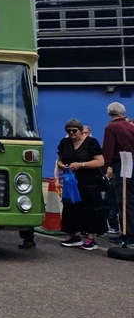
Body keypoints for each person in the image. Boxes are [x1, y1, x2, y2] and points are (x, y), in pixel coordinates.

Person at [55, 118, 107, 250]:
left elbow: (100, 162)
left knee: (90, 208)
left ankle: (90, 238)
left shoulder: (91, 143)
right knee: (71, 208)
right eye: (69, 131)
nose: (72, 133)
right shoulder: (65, 142)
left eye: (74, 131)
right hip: (71, 182)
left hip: (89, 181)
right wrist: (64, 166)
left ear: (81, 130)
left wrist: (82, 165)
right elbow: (59, 161)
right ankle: (74, 235)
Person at [101, 102, 134, 244]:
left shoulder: (111, 127)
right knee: (130, 199)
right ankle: (128, 232)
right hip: (130, 163)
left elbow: (108, 151)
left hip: (122, 164)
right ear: (123, 112)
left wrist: (102, 170)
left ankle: (128, 234)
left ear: (109, 113)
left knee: (124, 200)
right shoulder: (130, 127)